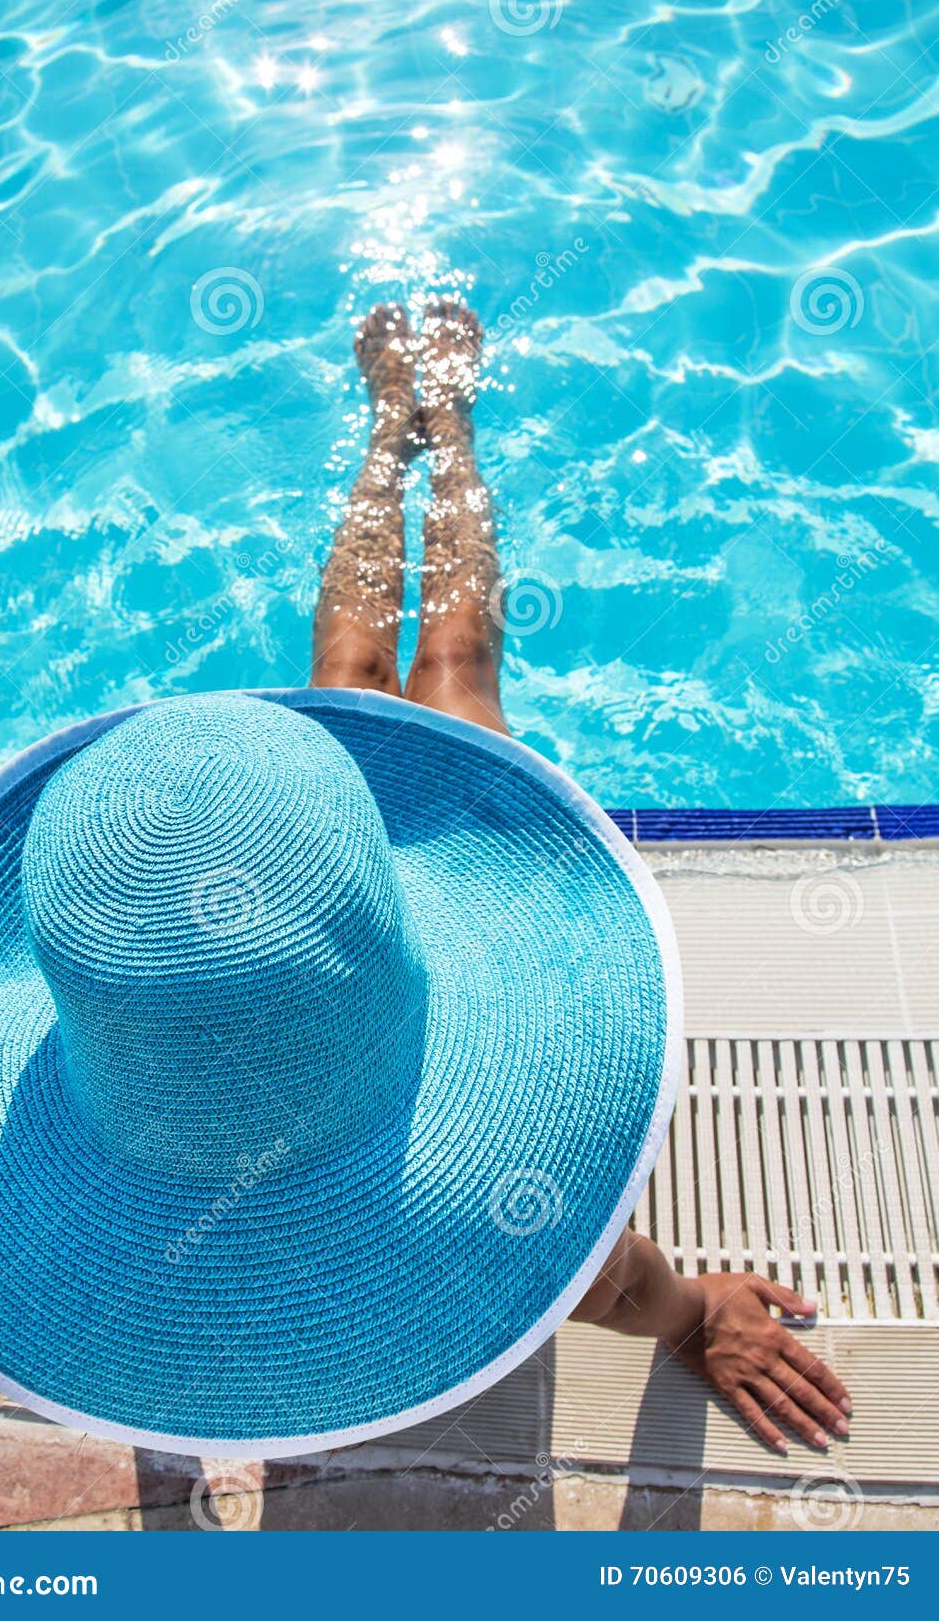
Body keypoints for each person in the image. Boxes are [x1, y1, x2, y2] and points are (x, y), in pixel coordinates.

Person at [311, 299, 852, 1458]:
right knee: (429, 663)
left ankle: (396, 430)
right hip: (349, 893)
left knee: (361, 664)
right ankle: (433, 427)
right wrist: (698, 1313)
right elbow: (600, 1277)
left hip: (306, 907)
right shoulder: (465, 1172)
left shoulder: (149, 1135)